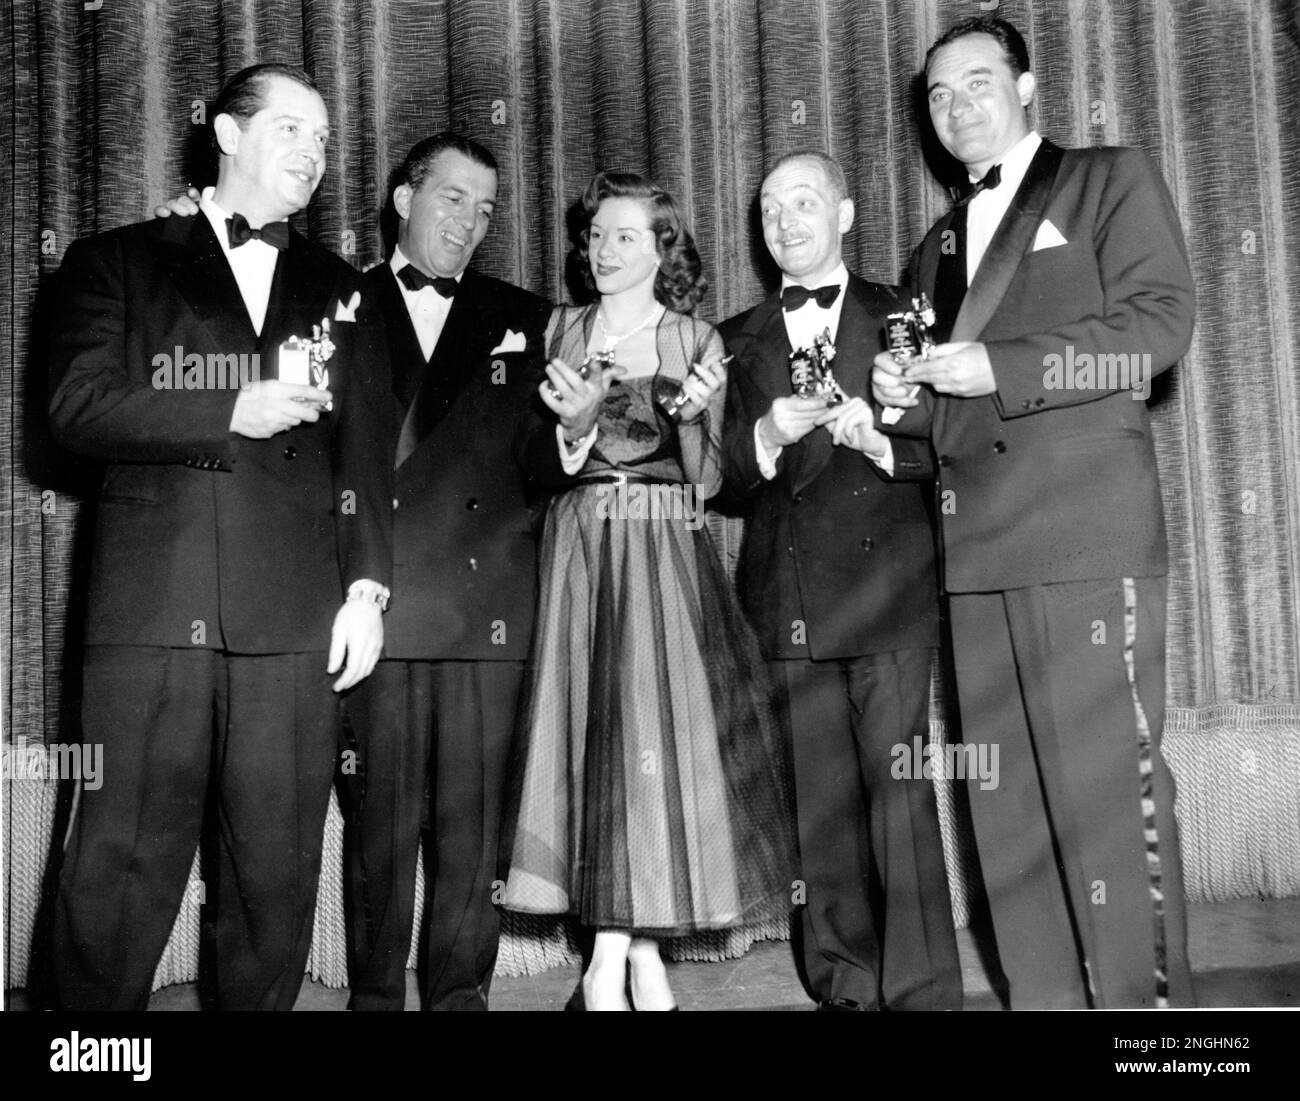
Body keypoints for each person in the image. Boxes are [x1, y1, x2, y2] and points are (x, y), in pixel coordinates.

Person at [48, 63, 393, 1011]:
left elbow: (366, 454)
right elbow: (76, 407)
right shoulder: (113, 259)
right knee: (118, 868)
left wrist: (368, 589)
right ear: (228, 135)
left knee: (274, 877)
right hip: (155, 612)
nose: (314, 155)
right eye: (291, 130)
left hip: (292, 619)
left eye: (324, 140)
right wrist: (226, 406)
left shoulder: (342, 286)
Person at [872, 15, 1195, 1009]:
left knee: (1107, 806)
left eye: (976, 83)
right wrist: (901, 406)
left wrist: (995, 366)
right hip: (974, 559)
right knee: (1005, 820)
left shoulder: (1105, 177)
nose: (957, 105)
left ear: (1025, 87)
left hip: (1083, 540)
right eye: (938, 95)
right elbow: (950, 417)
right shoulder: (930, 248)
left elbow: (1153, 335)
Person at [502, 171, 796, 1011]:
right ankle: (635, 959)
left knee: (655, 743)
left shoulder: (697, 339)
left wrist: (701, 416)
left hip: (665, 544)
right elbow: (529, 465)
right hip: (580, 547)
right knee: (589, 735)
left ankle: (616, 957)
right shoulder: (557, 328)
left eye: (626, 235)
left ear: (664, 247)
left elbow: (709, 480)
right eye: (596, 235)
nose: (604, 250)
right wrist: (574, 428)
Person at [720, 152, 960, 1011]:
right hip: (785, 605)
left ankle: (926, 993)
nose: (786, 221)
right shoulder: (733, 337)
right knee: (817, 808)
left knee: (899, 793)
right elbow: (717, 480)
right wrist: (766, 440)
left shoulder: (908, 314)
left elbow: (956, 445)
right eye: (770, 207)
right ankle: (847, 989)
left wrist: (882, 437)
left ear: (846, 211)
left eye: (805, 202)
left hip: (890, 591)